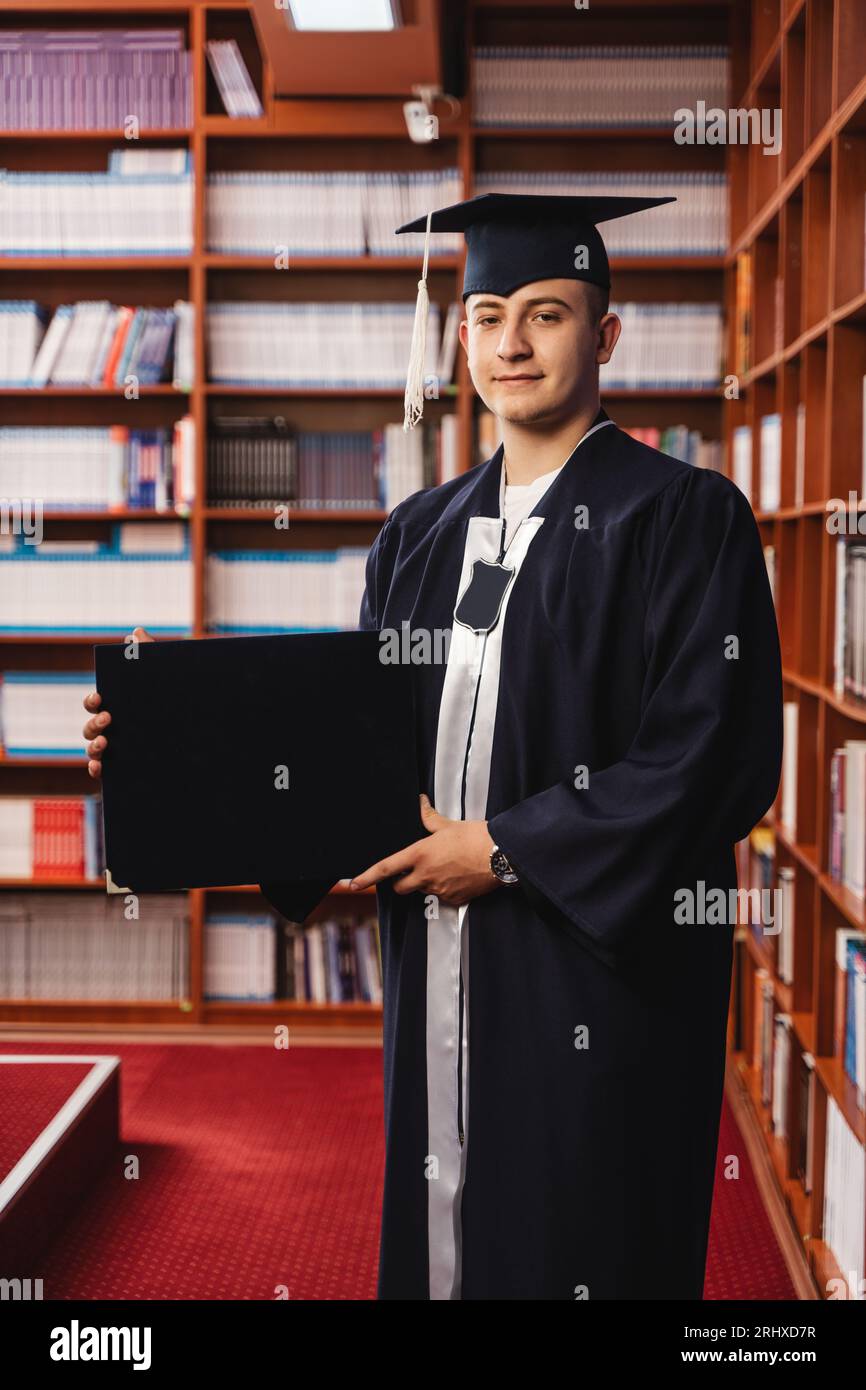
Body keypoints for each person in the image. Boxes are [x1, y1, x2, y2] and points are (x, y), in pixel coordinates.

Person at [84, 193, 784, 1302]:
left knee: (581, 1226)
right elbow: (345, 750)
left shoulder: (684, 518)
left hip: (594, 972)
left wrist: (502, 851)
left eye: (545, 315)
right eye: (489, 314)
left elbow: (712, 758)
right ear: (458, 338)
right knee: (443, 1216)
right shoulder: (418, 532)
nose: (511, 342)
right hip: (435, 952)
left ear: (603, 336)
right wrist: (161, 760)